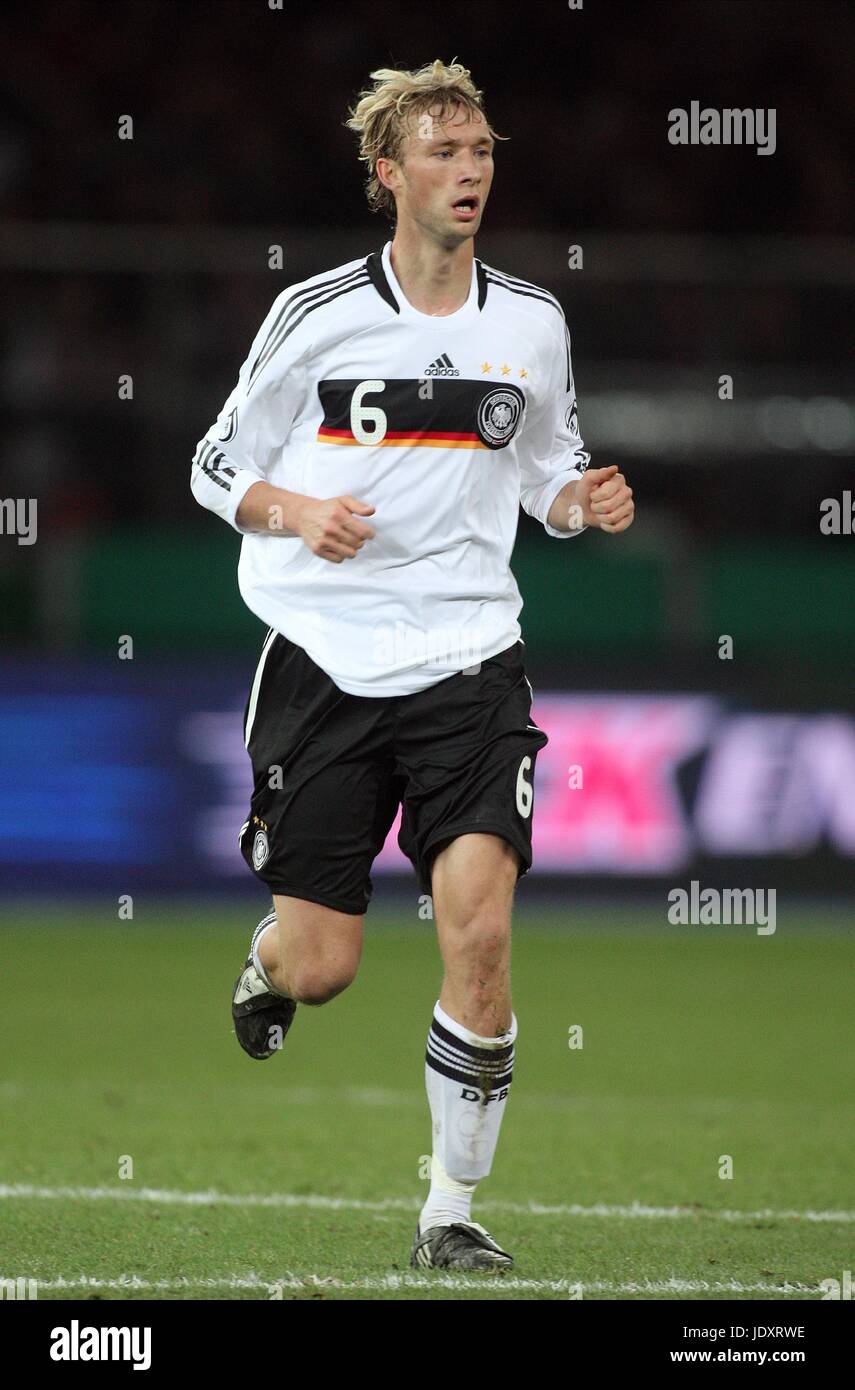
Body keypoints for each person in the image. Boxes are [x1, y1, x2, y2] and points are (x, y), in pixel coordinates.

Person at [191, 58, 634, 1272]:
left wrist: (578, 501)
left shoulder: (531, 322)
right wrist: (295, 512)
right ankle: (268, 963)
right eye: (444, 152)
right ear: (389, 172)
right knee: (323, 966)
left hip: (470, 661)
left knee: (479, 934)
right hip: (327, 660)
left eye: (482, 150)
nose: (470, 170)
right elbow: (216, 462)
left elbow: (544, 468)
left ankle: (450, 1211)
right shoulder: (317, 313)